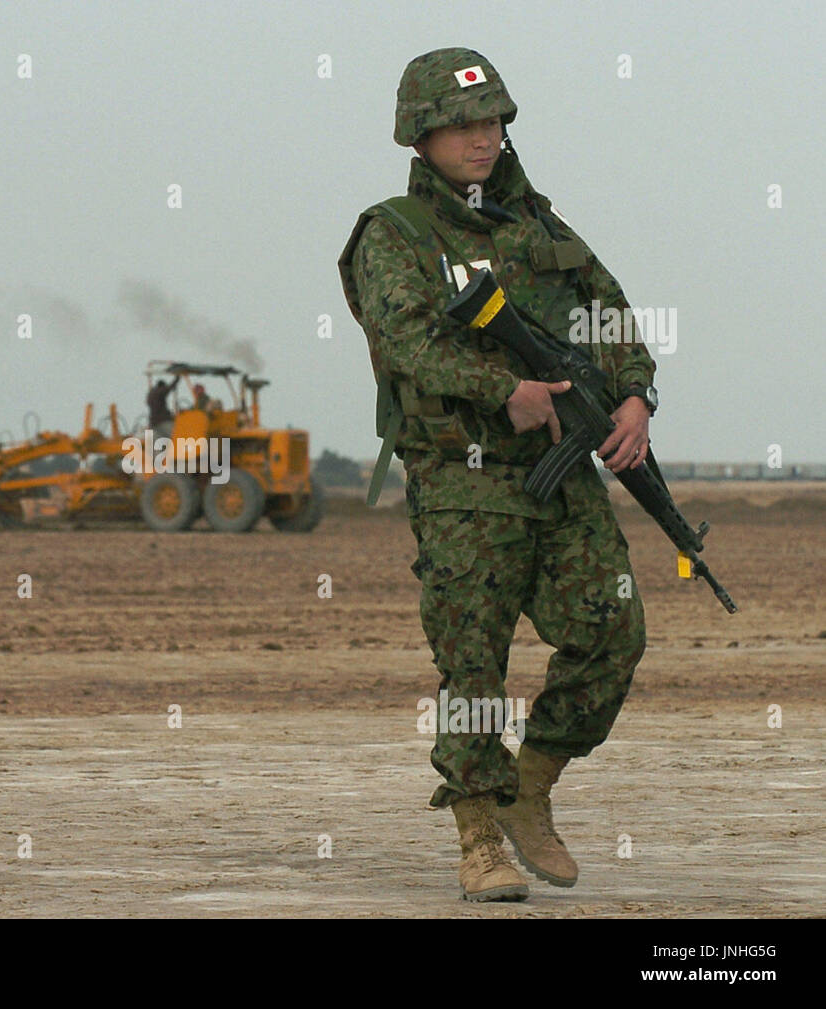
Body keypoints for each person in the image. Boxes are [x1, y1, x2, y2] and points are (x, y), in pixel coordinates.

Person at [337, 48, 656, 902]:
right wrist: (500, 389)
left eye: (491, 122)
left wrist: (633, 397)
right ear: (421, 135)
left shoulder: (543, 228)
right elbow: (408, 340)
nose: (482, 139)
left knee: (613, 633)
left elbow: (608, 310)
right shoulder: (394, 234)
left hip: (559, 477)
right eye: (461, 126)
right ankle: (478, 832)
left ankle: (532, 787)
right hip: (462, 479)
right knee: (473, 663)